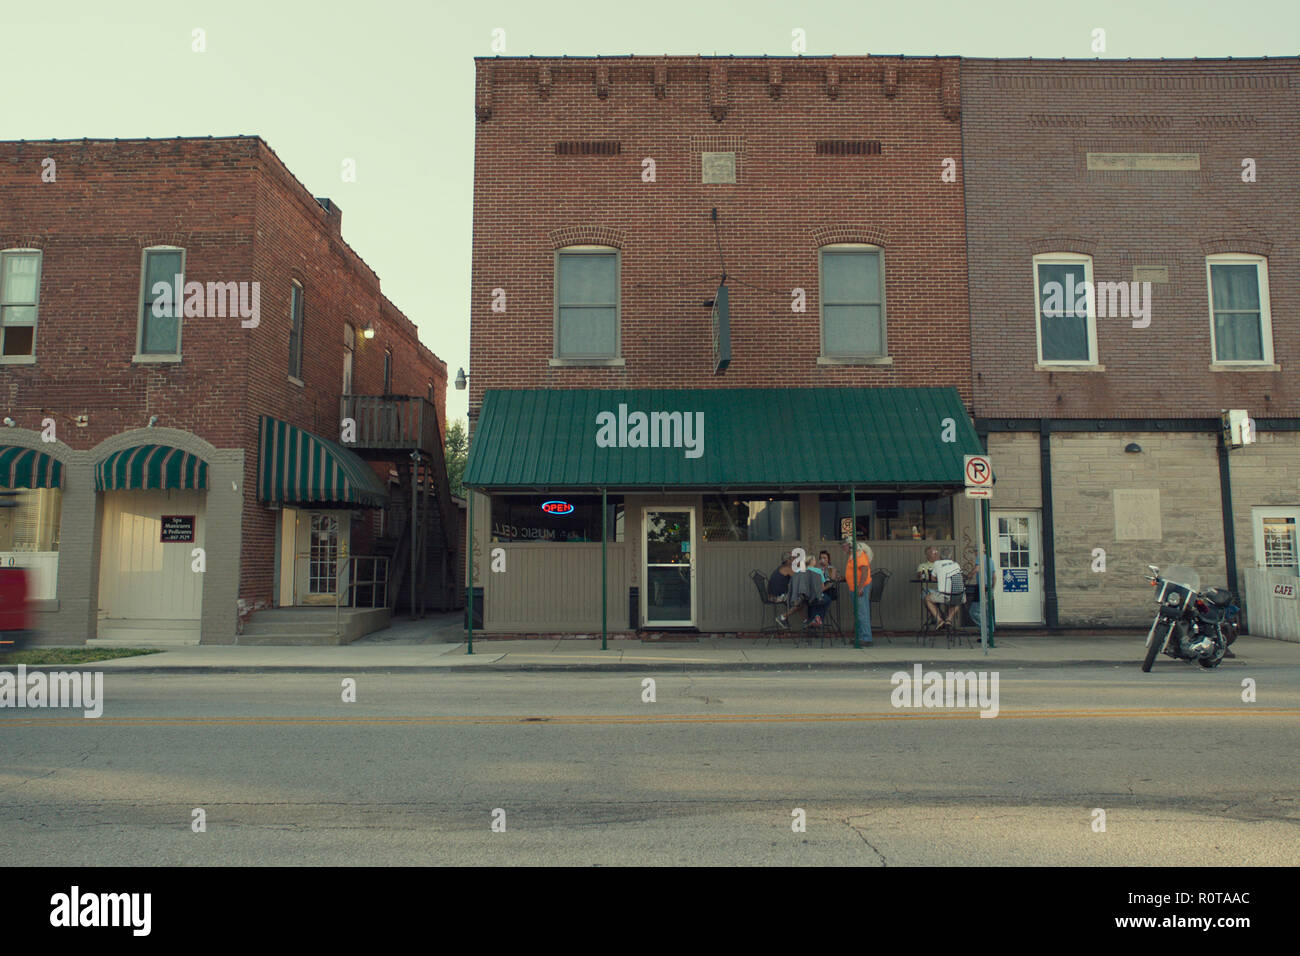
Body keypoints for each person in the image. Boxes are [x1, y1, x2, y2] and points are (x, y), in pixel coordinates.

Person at [921, 546, 964, 627]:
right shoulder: (956, 564)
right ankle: (949, 619)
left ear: (940, 556)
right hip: (957, 595)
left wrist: (941, 577)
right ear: (951, 556)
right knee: (960, 600)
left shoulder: (937, 564)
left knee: (927, 598)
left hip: (944, 595)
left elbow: (933, 578)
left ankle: (939, 620)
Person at [841, 538, 873, 646]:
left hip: (860, 588)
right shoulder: (853, 556)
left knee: (862, 612)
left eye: (844, 545)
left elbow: (864, 571)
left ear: (850, 546)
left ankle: (866, 637)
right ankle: (860, 637)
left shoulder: (859, 555)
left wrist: (860, 587)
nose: (842, 548)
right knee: (858, 613)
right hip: (854, 588)